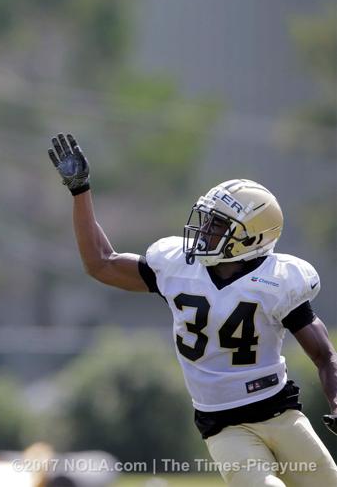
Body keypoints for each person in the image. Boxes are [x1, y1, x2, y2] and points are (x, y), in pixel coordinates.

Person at [46, 132, 337, 486]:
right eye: (208, 220)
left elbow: (324, 355)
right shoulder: (178, 267)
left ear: (250, 238)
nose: (204, 231)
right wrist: (81, 190)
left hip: (281, 414)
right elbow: (101, 263)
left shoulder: (279, 281)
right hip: (223, 425)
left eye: (217, 225)